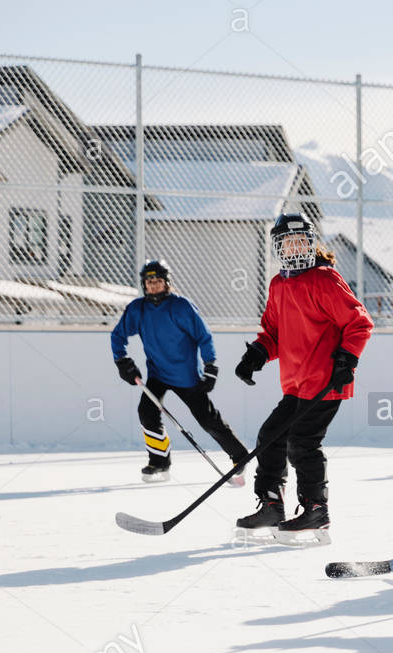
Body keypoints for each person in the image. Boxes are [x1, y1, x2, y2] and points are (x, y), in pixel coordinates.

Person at [233, 213, 374, 544]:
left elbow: (359, 323)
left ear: (312, 244)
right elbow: (273, 332)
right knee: (270, 436)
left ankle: (315, 509)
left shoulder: (325, 279)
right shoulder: (278, 285)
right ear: (279, 249)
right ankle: (271, 504)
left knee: (302, 442)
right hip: (296, 385)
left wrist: (346, 359)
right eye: (289, 243)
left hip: (326, 382)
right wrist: (256, 355)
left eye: (302, 241)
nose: (296, 247)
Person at [110, 259, 249, 484]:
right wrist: (122, 361)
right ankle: (159, 463)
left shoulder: (181, 306)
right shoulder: (138, 309)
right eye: (149, 281)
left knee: (207, 419)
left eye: (158, 280)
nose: (153, 285)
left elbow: (204, 337)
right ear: (144, 284)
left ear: (167, 282)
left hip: (187, 377)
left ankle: (240, 456)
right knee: (146, 412)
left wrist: (210, 366)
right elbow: (117, 336)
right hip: (157, 375)